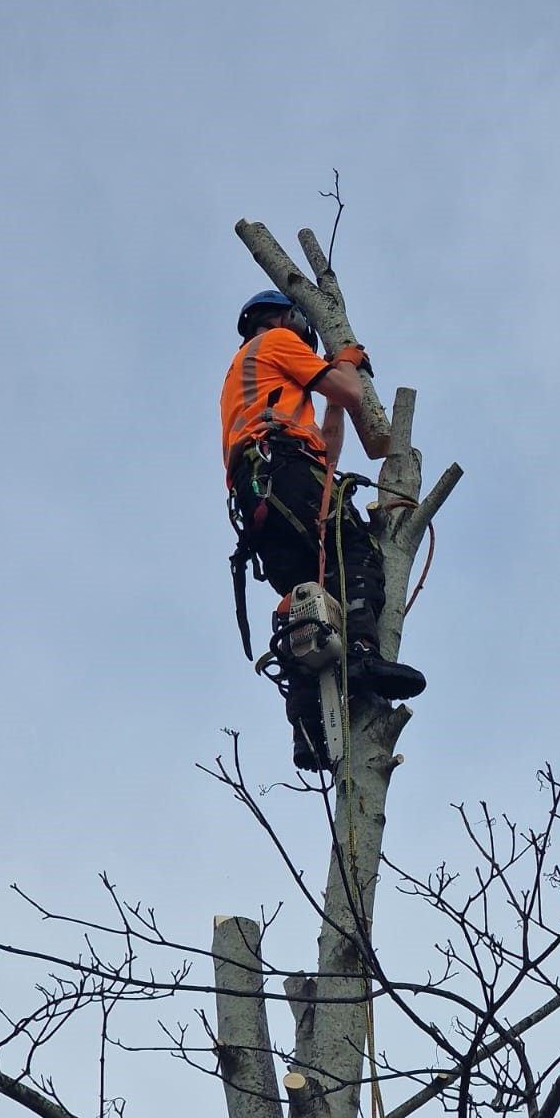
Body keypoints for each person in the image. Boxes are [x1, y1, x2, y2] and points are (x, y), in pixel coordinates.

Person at [221, 290, 426, 770]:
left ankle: (307, 722)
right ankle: (362, 655)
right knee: (355, 552)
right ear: (288, 318)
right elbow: (351, 393)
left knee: (307, 600)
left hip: (261, 495)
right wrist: (345, 366)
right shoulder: (276, 340)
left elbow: (327, 451)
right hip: (284, 470)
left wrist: (332, 399)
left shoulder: (250, 375)